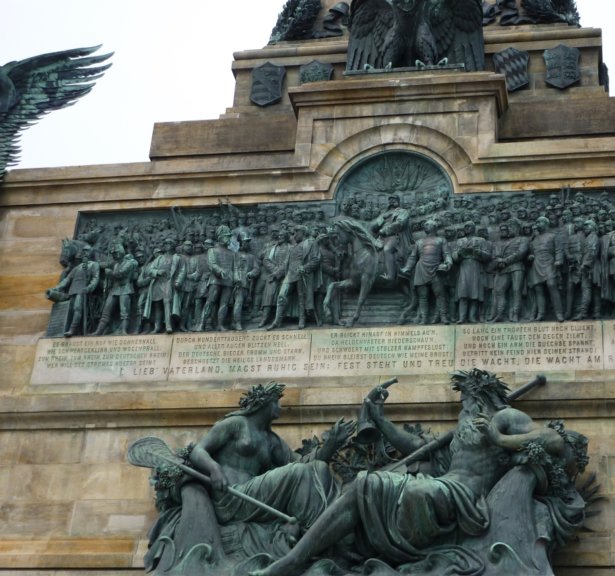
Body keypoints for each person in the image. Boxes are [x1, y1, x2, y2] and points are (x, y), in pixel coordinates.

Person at [251, 370, 574, 576]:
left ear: (481, 396)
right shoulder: (467, 427)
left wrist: (501, 439)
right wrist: (379, 420)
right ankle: (294, 560)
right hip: (439, 486)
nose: (463, 406)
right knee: (362, 486)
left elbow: (553, 440)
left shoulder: (506, 416)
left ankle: (298, 558)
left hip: (462, 499)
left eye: (466, 399)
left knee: (390, 488)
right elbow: (420, 449)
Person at [144, 382, 353, 574]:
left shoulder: (271, 441)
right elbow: (198, 451)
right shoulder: (235, 424)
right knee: (299, 473)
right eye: (276, 403)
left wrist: (331, 445)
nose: (279, 409)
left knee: (317, 469)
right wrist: (215, 469)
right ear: (265, 403)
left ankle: (318, 538)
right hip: (229, 497)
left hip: (250, 498)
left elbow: (304, 463)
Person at [400, 218, 453, 325]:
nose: (425, 226)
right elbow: (413, 257)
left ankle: (443, 317)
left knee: (440, 294)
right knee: (422, 296)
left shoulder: (441, 240)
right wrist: (407, 268)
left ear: (434, 227)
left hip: (436, 269)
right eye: (425, 225)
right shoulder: (419, 242)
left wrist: (448, 263)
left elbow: (446, 254)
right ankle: (424, 318)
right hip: (421, 269)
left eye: (428, 224)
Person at [46, 243, 100, 337]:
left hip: (83, 291)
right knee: (70, 310)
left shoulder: (93, 265)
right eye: (84, 252)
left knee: (77, 308)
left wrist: (89, 288)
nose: (85, 254)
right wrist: (56, 288)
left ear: (90, 253)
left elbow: (95, 279)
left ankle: (72, 329)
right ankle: (67, 328)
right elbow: (67, 280)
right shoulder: (77, 268)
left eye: (87, 252)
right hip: (73, 291)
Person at [92, 243, 138, 335]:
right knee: (106, 311)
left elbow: (120, 274)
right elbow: (107, 266)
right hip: (114, 290)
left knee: (124, 312)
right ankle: (98, 331)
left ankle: (124, 331)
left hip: (125, 289)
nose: (114, 255)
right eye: (113, 253)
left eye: (116, 253)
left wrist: (110, 273)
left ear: (121, 252)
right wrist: (96, 264)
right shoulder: (116, 264)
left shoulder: (129, 263)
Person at [528, 216, 565, 321]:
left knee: (551, 285)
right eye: (536, 222)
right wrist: (530, 257)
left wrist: (559, 260)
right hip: (537, 264)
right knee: (538, 289)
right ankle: (541, 314)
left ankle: (559, 313)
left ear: (545, 224)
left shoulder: (553, 236)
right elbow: (531, 252)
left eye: (539, 222)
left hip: (549, 263)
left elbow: (559, 250)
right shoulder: (534, 240)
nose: (537, 224)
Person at [370, 194, 412, 285]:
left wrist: (385, 230)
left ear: (398, 200)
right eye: (390, 200)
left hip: (395, 236)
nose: (392, 201)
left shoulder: (403, 212)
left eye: (394, 199)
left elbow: (400, 224)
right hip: (380, 237)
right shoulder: (384, 214)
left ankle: (391, 275)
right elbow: (373, 227)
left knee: (387, 249)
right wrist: (383, 217)